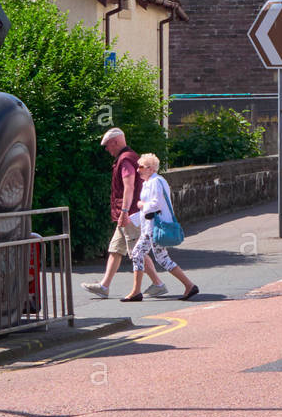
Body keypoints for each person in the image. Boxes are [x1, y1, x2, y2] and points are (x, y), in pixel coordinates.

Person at [82, 128, 162, 299]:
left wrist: (124, 212)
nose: (106, 149)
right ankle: (104, 286)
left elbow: (129, 187)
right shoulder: (130, 157)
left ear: (116, 142)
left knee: (136, 251)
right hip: (126, 214)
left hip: (129, 215)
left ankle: (158, 283)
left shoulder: (125, 160)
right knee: (116, 249)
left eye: (108, 145)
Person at [120, 154, 198, 302]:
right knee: (162, 258)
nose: (138, 170)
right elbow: (153, 208)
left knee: (137, 253)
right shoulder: (149, 182)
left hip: (154, 228)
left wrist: (142, 206)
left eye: (141, 167)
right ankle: (189, 285)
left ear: (150, 168)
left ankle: (136, 292)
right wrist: (132, 219)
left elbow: (155, 205)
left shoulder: (156, 182)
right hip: (151, 227)